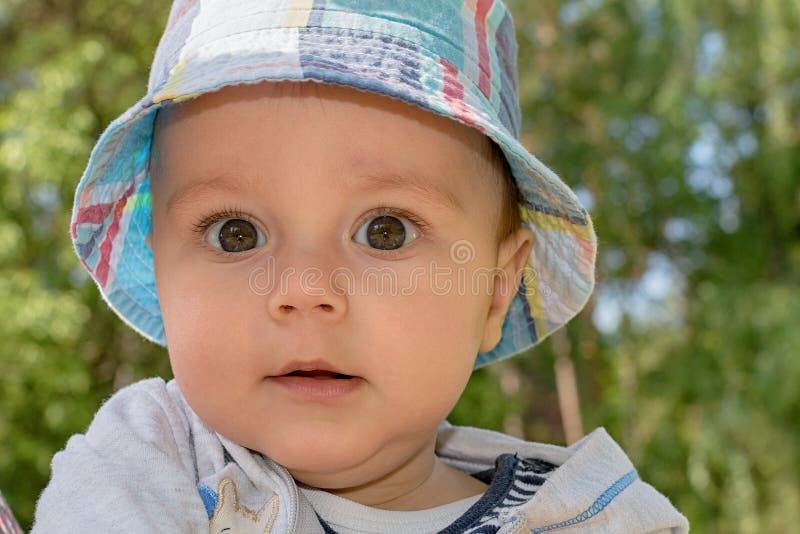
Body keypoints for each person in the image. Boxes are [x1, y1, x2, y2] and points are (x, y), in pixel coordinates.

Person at [32, 1, 689, 532]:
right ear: (163, 273)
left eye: (386, 231)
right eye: (236, 234)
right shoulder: (148, 463)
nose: (306, 290)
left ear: (494, 289)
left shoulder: (597, 516)